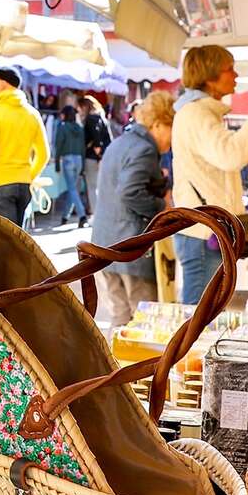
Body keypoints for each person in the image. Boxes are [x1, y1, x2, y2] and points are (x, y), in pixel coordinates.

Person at [171, 45, 248, 304]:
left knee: (207, 310)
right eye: (229, 69)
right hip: (203, 232)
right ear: (210, 75)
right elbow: (230, 154)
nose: (235, 75)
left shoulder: (200, 114)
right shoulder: (196, 114)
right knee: (199, 313)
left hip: (208, 229)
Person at [90, 92, 176, 326]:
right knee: (145, 322)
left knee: (120, 317)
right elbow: (129, 192)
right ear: (157, 124)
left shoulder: (120, 142)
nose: (173, 138)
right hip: (131, 247)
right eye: (171, 128)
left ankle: (116, 362)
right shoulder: (144, 149)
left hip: (105, 244)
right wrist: (162, 207)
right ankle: (141, 363)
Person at [0, 67, 47, 227]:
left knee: (2, 243)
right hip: (23, 185)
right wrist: (28, 176)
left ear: (4, 84)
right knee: (18, 241)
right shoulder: (32, 113)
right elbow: (44, 154)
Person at [52, 104, 88, 228]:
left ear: (65, 115)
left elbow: (58, 145)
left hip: (67, 160)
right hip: (78, 160)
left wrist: (56, 162)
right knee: (73, 189)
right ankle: (65, 216)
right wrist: (83, 166)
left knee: (72, 189)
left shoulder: (62, 126)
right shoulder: (80, 127)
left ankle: (82, 215)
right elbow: (83, 147)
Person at [81, 97, 111, 219]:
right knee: (98, 186)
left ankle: (96, 214)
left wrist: (99, 155)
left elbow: (96, 138)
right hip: (102, 156)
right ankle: (100, 213)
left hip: (93, 157)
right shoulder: (101, 117)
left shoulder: (91, 118)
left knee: (92, 187)